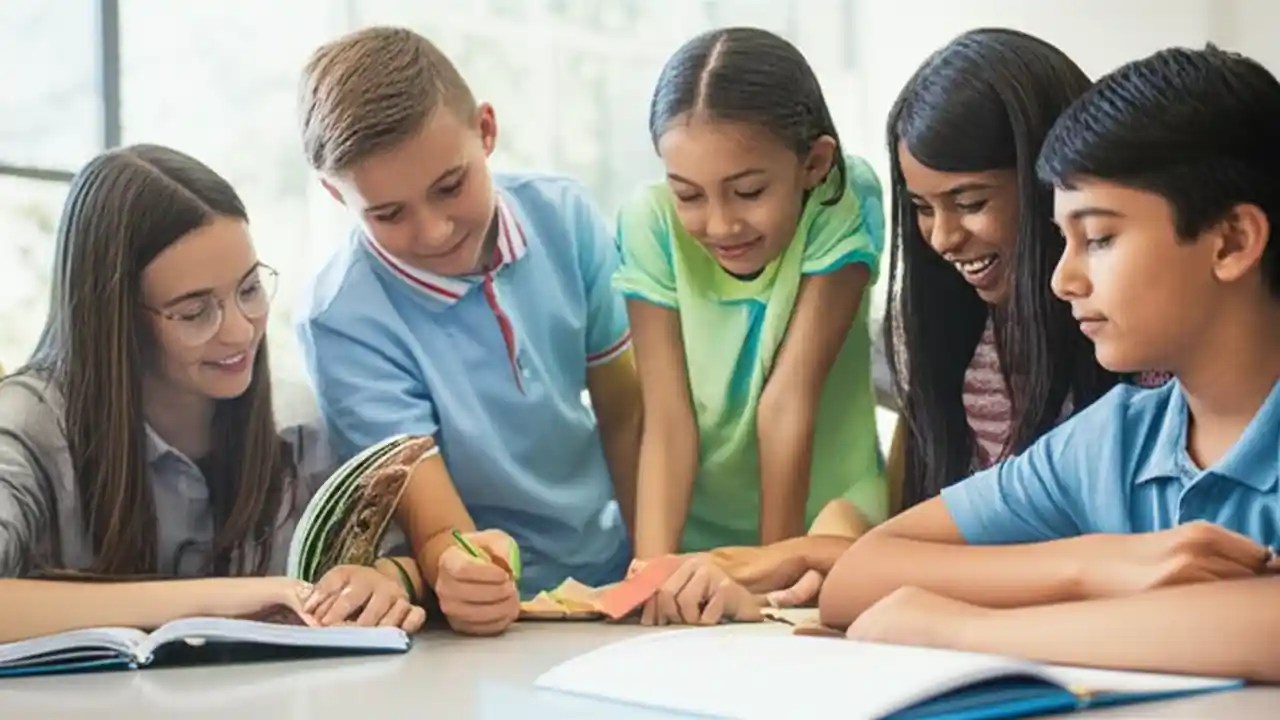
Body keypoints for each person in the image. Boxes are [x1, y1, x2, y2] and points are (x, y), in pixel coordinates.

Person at [819, 44, 1280, 683]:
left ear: (1231, 241)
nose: (1062, 279)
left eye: (1099, 239)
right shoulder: (1114, 443)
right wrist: (1096, 564)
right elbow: (860, 574)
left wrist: (967, 629)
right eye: (1063, 239)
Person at [0, 145, 425, 643]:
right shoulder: (26, 427)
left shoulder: (296, 426)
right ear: (115, 323)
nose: (241, 332)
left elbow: (401, 563)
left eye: (249, 290)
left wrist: (386, 583)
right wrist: (214, 600)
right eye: (194, 311)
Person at [294, 26, 642, 634]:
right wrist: (466, 572)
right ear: (334, 194)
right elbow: (437, 528)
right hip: (486, 607)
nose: (432, 232)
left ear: (486, 130)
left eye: (450, 187)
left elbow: (629, 414)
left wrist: (651, 565)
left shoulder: (565, 218)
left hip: (619, 573)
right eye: (388, 214)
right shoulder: (342, 321)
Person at [615, 26, 885, 625]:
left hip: (827, 507)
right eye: (688, 194)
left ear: (814, 163)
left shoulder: (844, 195)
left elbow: (788, 399)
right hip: (702, 520)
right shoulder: (647, 224)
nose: (720, 224)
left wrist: (768, 577)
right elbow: (667, 419)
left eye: (748, 191)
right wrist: (655, 572)